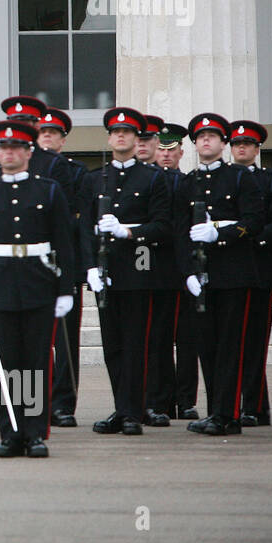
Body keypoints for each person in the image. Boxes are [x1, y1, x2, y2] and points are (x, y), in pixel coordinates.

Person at [0, 120, 76, 458]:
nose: (8, 153)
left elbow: (64, 243)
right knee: (8, 364)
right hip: (2, 286)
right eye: (3, 148)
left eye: (15, 147)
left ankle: (35, 433)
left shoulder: (49, 190)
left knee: (36, 363)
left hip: (39, 284)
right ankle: (11, 432)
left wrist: (65, 290)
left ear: (29, 152)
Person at [173, 114, 265, 437]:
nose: (206, 141)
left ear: (224, 143)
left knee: (231, 345)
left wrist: (221, 233)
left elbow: (254, 221)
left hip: (234, 275)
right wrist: (187, 272)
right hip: (201, 277)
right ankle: (216, 411)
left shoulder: (240, 179)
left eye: (213, 136)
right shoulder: (187, 183)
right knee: (207, 346)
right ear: (194, 143)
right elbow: (179, 232)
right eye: (201, 137)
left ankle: (230, 413)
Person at [83, 107, 173, 436]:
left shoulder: (154, 178)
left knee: (136, 342)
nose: (121, 136)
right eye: (116, 132)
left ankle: (133, 411)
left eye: (128, 133)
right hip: (106, 269)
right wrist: (89, 267)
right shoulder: (95, 178)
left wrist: (129, 232)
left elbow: (163, 225)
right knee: (113, 345)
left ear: (137, 140)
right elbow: (83, 229)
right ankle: (123, 408)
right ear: (109, 138)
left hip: (139, 263)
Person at [227, 120, 272, 426]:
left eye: (247, 144)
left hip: (260, 268)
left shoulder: (269, 179)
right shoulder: (224, 178)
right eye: (236, 144)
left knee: (255, 342)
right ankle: (239, 404)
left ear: (257, 149)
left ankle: (256, 405)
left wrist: (257, 236)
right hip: (231, 267)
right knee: (233, 342)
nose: (241, 148)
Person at [36, 108, 84, 427]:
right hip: (32, 263)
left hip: (63, 260)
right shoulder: (24, 170)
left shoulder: (76, 172)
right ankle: (36, 401)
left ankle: (63, 403)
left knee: (65, 340)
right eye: (43, 132)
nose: (47, 136)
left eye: (53, 133)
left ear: (63, 139)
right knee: (35, 338)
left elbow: (75, 220)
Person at [143, 119, 186, 425]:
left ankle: (185, 401)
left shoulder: (186, 183)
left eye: (171, 150)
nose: (166, 155)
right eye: (162, 149)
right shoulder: (148, 183)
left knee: (186, 340)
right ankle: (159, 399)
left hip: (180, 268)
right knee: (156, 339)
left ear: (181, 152)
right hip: (154, 268)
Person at [0, 96, 74, 203]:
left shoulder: (54, 163)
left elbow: (64, 207)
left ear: (37, 126)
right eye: (14, 122)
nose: (18, 127)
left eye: (24, 122)